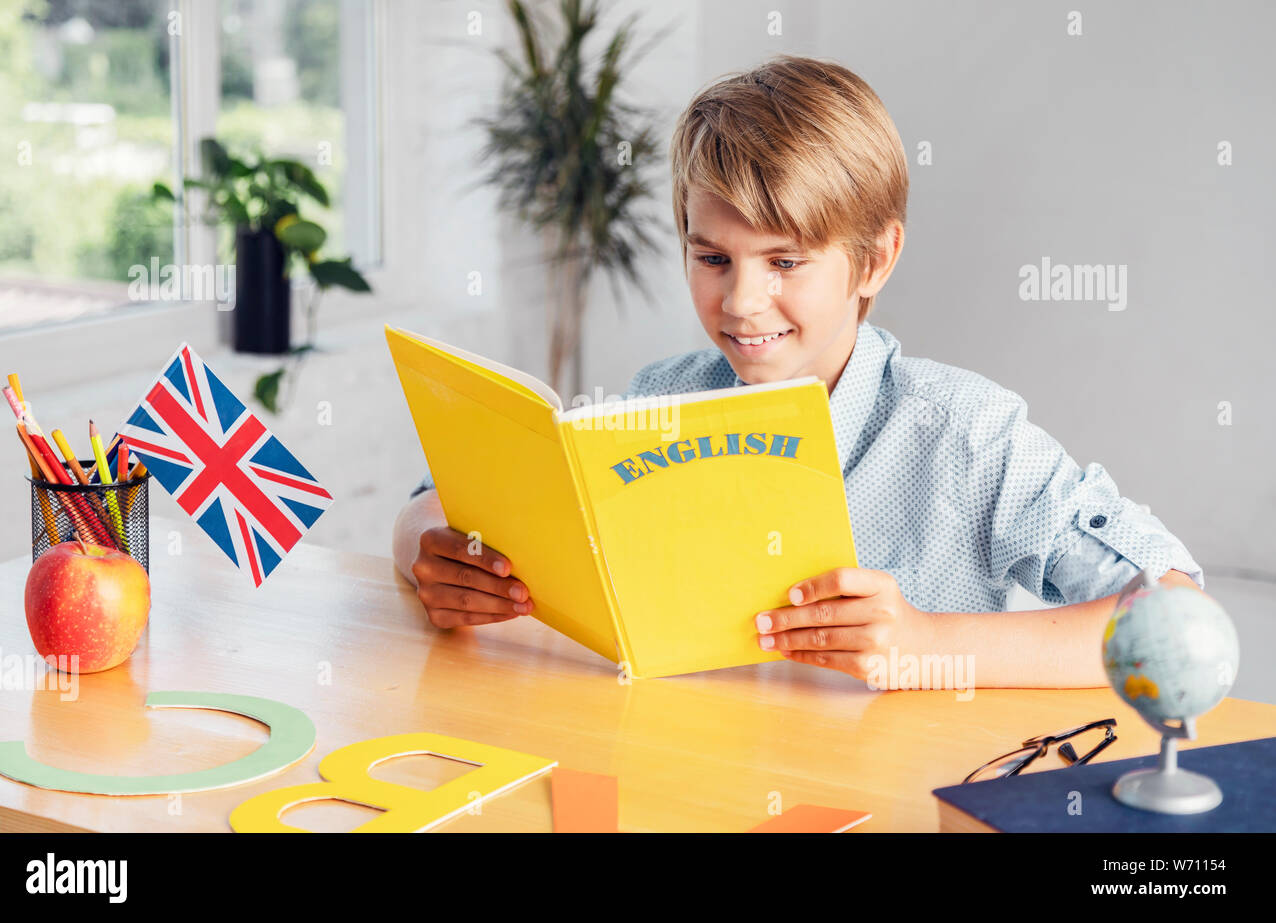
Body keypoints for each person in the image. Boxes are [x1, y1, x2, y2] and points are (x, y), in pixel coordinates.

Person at [392, 55, 1204, 688]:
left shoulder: (963, 432)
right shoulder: (657, 398)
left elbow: (1178, 614)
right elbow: (435, 505)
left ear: (875, 259)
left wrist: (925, 642)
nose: (743, 301)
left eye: (785, 260)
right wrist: (432, 553)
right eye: (712, 257)